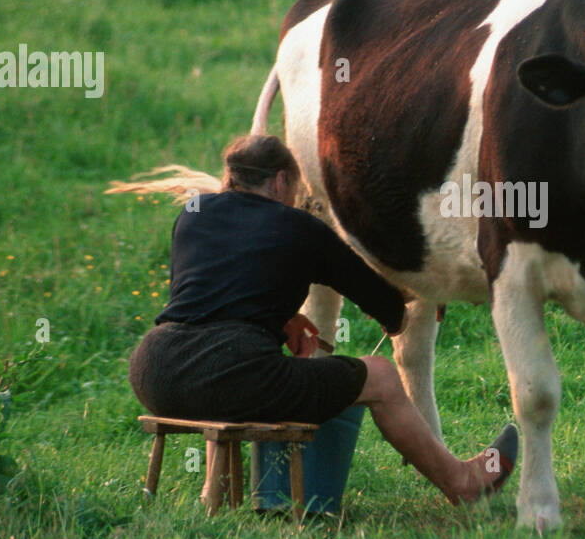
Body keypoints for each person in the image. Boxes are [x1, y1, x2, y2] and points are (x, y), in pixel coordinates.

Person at [124, 134, 517, 507]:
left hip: (155, 371)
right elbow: (382, 300)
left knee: (229, 365)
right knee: (379, 375)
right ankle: (462, 484)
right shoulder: (299, 227)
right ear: (281, 181)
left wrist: (282, 319)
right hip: (231, 372)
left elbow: (208, 298)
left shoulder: (193, 215)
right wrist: (403, 311)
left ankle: (218, 490)